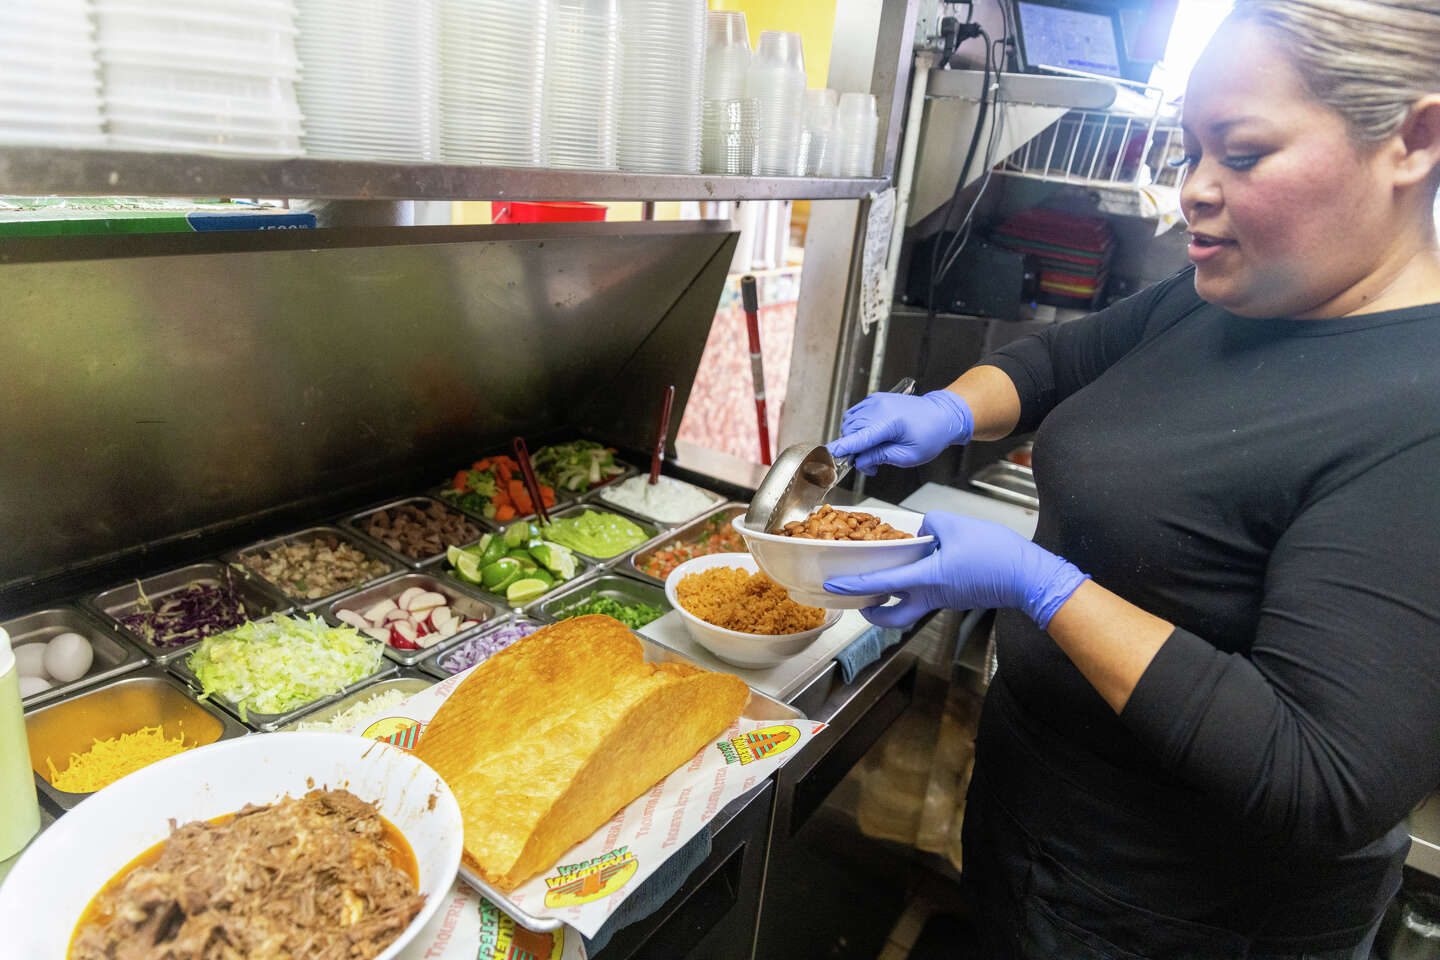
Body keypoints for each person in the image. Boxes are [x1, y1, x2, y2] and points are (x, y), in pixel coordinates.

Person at [823, 1, 1440, 956]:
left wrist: (1043, 585)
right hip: (1043, 838)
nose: (1193, 188)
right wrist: (946, 408)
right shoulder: (1233, 292)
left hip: (1185, 919)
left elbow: (1321, 776)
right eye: (1190, 149)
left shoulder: (1419, 411)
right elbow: (1059, 361)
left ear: (1416, 139)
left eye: (1241, 153)